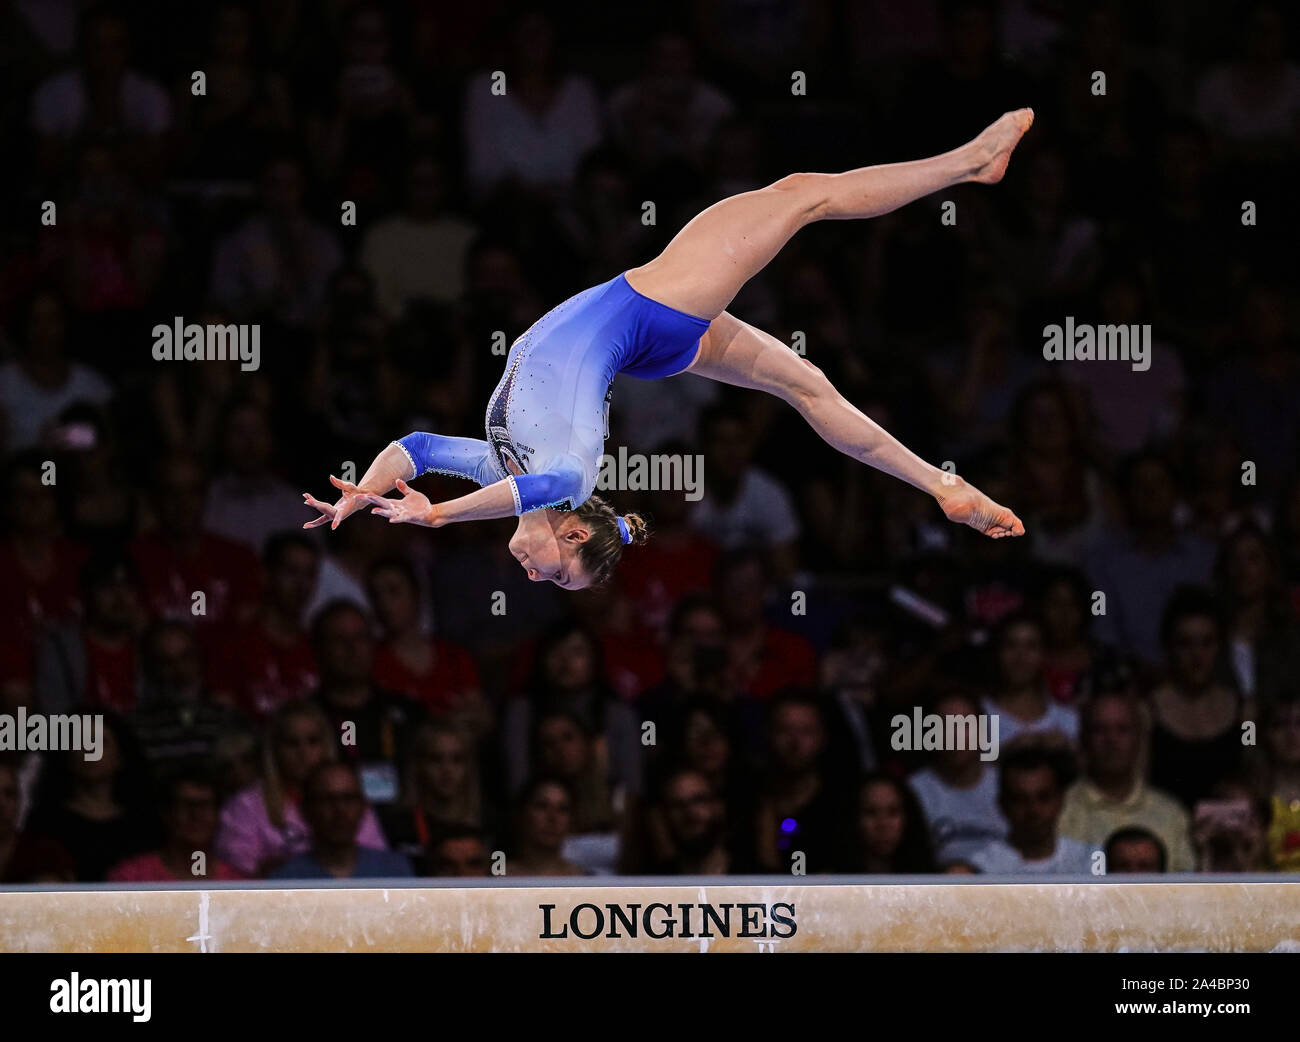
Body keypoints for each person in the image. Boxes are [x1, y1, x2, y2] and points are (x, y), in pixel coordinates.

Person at [304, 111, 1036, 587]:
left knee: (806, 379)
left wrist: (367, 492)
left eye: (559, 579)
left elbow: (420, 445)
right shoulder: (566, 476)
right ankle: (970, 164)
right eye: (561, 575)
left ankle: (940, 485)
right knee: (806, 196)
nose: (539, 579)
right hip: (654, 310)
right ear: (570, 525)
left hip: (646, 329)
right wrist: (432, 517)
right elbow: (520, 493)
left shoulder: (514, 469)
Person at [215, 700, 388, 877]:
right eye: (292, 743)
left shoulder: (350, 797)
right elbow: (236, 875)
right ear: (275, 750)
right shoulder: (245, 805)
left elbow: (374, 863)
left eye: (312, 742)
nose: (303, 752)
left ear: (325, 746)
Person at [1058, 691, 1195, 871]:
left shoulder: (1172, 815)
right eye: (1100, 730)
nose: (1112, 740)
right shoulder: (1059, 812)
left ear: (1139, 739)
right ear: (1083, 739)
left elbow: (1184, 887)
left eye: (1123, 730)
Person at [271, 763, 413, 880]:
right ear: (306, 809)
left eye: (348, 798)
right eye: (327, 799)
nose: (340, 810)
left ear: (363, 807)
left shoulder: (394, 871)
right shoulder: (286, 880)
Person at [969, 746, 1092, 874]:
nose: (1033, 810)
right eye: (1020, 799)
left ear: (1061, 800)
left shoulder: (1089, 862)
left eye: (1043, 798)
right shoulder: (982, 868)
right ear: (1002, 804)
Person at [107, 770, 242, 882]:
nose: (196, 815)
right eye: (186, 805)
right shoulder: (130, 878)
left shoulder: (237, 883)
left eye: (204, 805)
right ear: (166, 813)